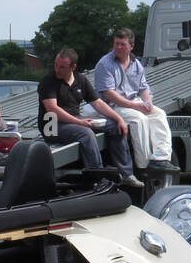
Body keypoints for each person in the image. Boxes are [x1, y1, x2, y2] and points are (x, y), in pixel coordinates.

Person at [37, 49, 139, 183]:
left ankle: (126, 174)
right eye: (56, 65)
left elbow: (97, 103)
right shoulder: (48, 81)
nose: (57, 69)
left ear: (73, 67)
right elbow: (53, 109)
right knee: (86, 133)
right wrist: (80, 123)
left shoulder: (81, 80)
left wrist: (119, 119)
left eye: (62, 67)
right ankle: (98, 177)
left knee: (115, 126)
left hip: (73, 121)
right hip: (52, 126)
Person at [93, 29, 177, 173]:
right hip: (110, 106)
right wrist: (136, 106)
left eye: (122, 44)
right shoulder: (104, 64)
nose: (119, 47)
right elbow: (109, 94)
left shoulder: (136, 64)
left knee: (159, 114)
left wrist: (148, 102)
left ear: (131, 46)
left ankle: (161, 159)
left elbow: (143, 87)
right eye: (116, 44)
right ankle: (143, 165)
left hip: (131, 103)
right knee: (139, 119)